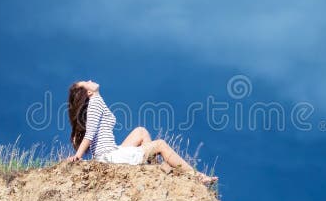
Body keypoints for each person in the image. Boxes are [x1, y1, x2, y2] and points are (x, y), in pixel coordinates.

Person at [65, 79, 218, 185]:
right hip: (109, 156)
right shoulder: (94, 103)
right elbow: (90, 134)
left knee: (140, 131)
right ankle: (196, 176)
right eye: (85, 83)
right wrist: (78, 156)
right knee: (160, 144)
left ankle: (153, 167)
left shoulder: (97, 101)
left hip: (112, 151)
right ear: (89, 93)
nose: (90, 80)